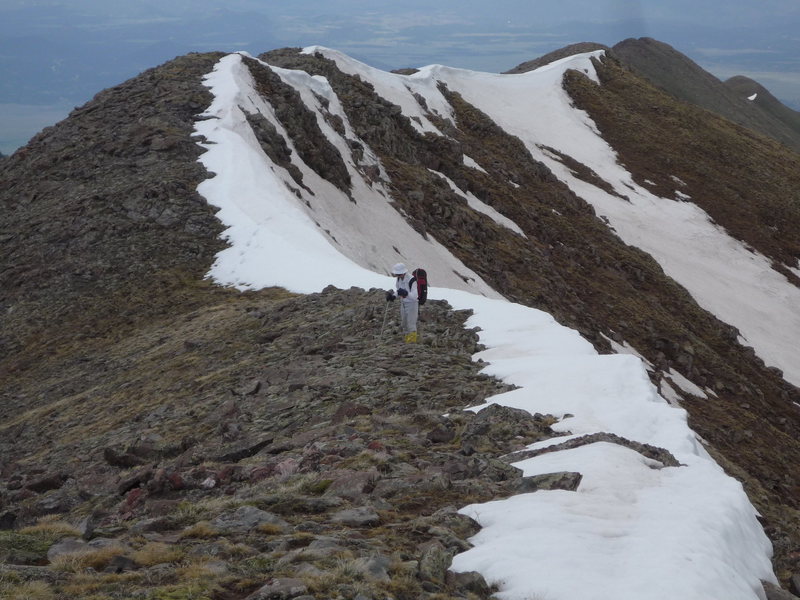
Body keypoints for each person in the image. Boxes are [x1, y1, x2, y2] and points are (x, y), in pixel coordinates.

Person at [385, 263, 419, 343]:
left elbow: (414, 296)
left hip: (412, 304)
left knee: (411, 323)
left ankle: (412, 342)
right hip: (403, 303)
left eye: (399, 274)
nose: (398, 275)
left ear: (404, 272)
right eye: (397, 274)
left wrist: (406, 293)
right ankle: (407, 340)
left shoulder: (412, 280)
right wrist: (393, 296)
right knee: (404, 323)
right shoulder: (399, 279)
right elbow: (399, 290)